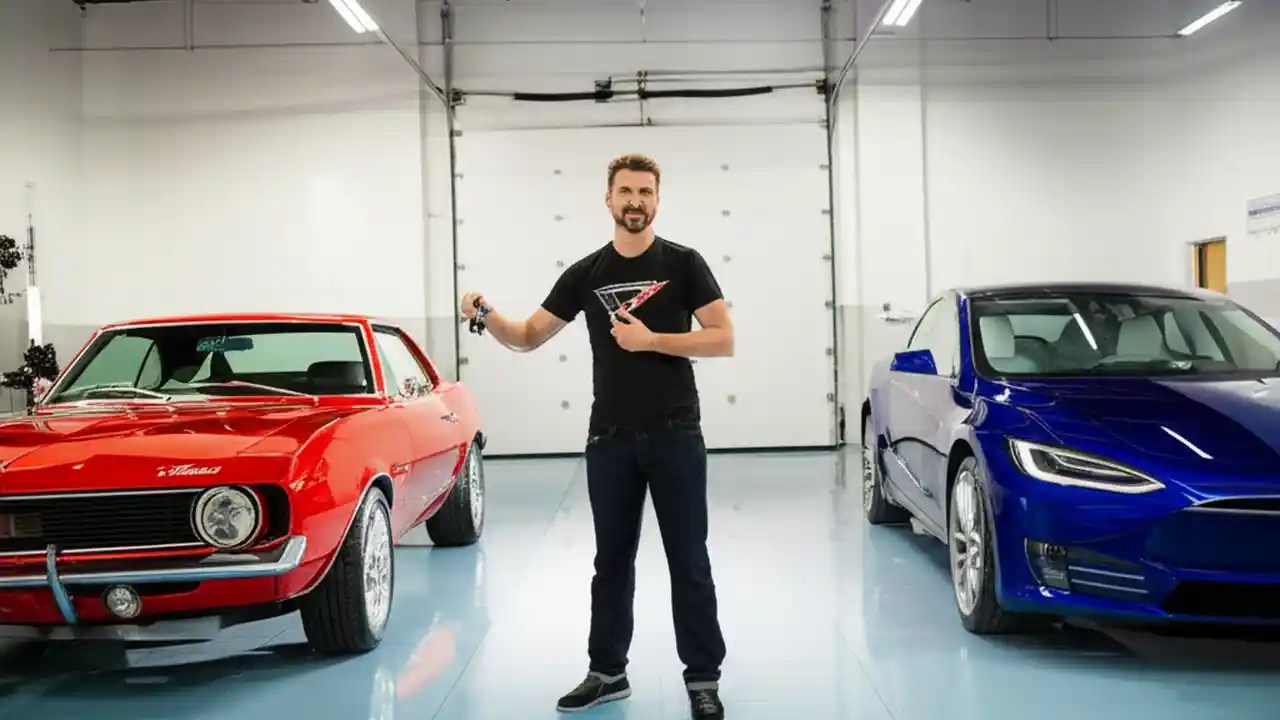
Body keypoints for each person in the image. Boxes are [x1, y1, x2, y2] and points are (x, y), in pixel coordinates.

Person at [458, 153, 732, 719]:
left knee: (689, 559)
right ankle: (607, 673)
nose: (636, 201)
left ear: (658, 201)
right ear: (608, 199)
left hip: (676, 434)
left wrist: (652, 341)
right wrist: (486, 314)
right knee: (611, 562)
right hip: (610, 439)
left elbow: (722, 337)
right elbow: (528, 335)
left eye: (645, 192)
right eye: (626, 191)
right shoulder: (585, 273)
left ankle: (703, 678)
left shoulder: (684, 264)